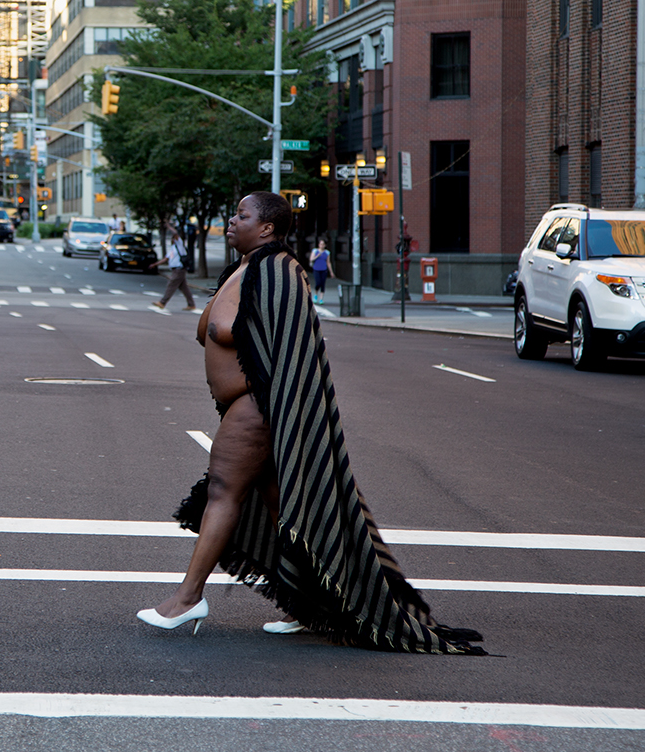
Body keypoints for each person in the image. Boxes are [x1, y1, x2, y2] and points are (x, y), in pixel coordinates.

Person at [135, 191, 483, 654]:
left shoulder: (280, 272)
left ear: (267, 229)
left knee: (223, 490)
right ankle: (316, 607)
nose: (232, 220)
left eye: (243, 215)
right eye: (234, 213)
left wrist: (282, 409)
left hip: (260, 407)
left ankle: (187, 599)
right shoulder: (241, 270)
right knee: (290, 510)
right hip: (246, 406)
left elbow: (295, 352)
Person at [152, 227, 196, 311]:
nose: (172, 240)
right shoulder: (173, 248)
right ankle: (191, 304)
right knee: (184, 288)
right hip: (175, 270)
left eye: (173, 238)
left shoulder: (180, 246)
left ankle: (162, 302)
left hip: (179, 269)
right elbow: (166, 259)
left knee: (171, 285)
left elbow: (175, 233)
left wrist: (168, 225)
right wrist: (155, 264)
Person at [310, 238, 331, 305]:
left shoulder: (327, 252)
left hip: (323, 269)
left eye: (323, 244)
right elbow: (311, 259)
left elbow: (328, 262)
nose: (322, 245)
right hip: (316, 269)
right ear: (319, 245)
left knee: (323, 284)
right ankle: (315, 294)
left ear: (325, 245)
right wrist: (317, 256)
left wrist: (331, 271)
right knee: (318, 283)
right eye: (320, 244)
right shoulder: (315, 251)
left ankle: (321, 298)